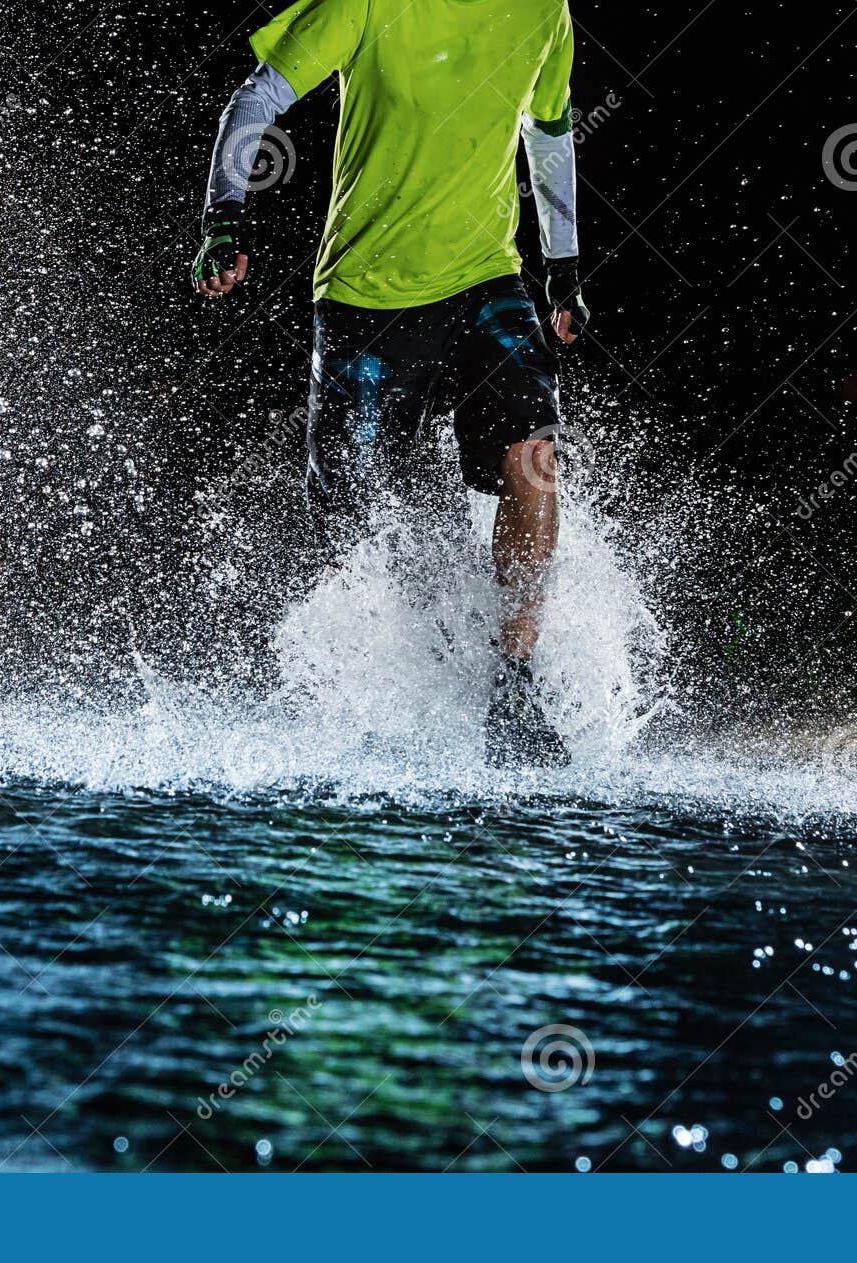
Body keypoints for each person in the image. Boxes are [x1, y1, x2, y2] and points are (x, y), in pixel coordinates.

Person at [193, 0, 591, 768]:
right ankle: (378, 687)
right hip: (367, 295)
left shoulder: (545, 11)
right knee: (348, 517)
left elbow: (549, 128)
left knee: (535, 456)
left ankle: (512, 682)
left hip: (488, 280)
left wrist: (564, 267)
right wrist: (224, 217)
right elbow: (255, 99)